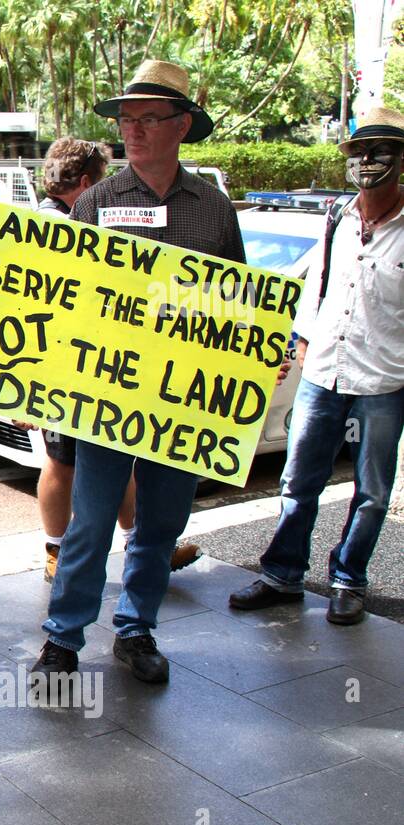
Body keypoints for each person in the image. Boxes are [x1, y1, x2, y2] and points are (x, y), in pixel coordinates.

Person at [33, 60, 248, 688]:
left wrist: (259, 353)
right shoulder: (97, 202)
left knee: (159, 524)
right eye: (125, 120)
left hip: (180, 404)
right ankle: (62, 638)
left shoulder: (213, 210)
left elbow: (236, 307)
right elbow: (66, 297)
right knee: (92, 522)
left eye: (146, 119)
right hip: (108, 397)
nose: (131, 131)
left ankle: (135, 629)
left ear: (181, 126)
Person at [229, 105, 404, 626]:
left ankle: (349, 580)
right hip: (324, 369)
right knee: (296, 481)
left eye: (381, 151)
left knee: (371, 492)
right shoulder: (336, 219)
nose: (368, 161)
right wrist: (298, 342)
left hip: (385, 380)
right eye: (358, 150)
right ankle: (283, 574)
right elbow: (316, 288)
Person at [34, 138, 202, 581]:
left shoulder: (60, 219)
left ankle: (136, 543)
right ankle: (57, 553)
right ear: (87, 182)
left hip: (99, 366)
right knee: (62, 461)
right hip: (72, 367)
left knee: (115, 452)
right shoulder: (58, 226)